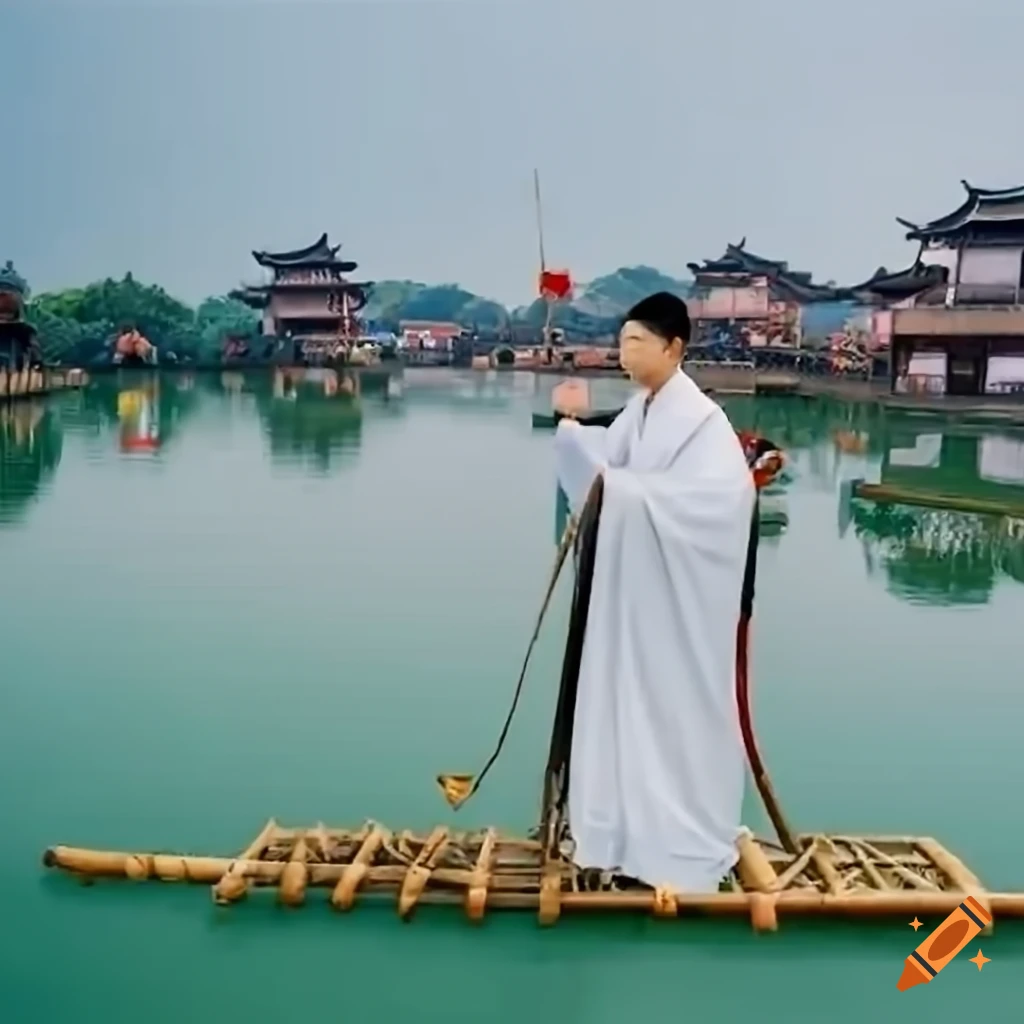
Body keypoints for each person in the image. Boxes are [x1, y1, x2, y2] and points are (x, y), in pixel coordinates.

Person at [551, 291, 755, 893]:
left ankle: (677, 851)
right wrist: (571, 434)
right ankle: (616, 839)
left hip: (681, 609)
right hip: (635, 604)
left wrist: (622, 492)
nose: (625, 353)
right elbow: (607, 466)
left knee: (673, 713)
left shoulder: (703, 424)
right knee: (620, 704)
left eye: (637, 342)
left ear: (674, 348)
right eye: (622, 342)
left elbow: (721, 502)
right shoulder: (638, 412)